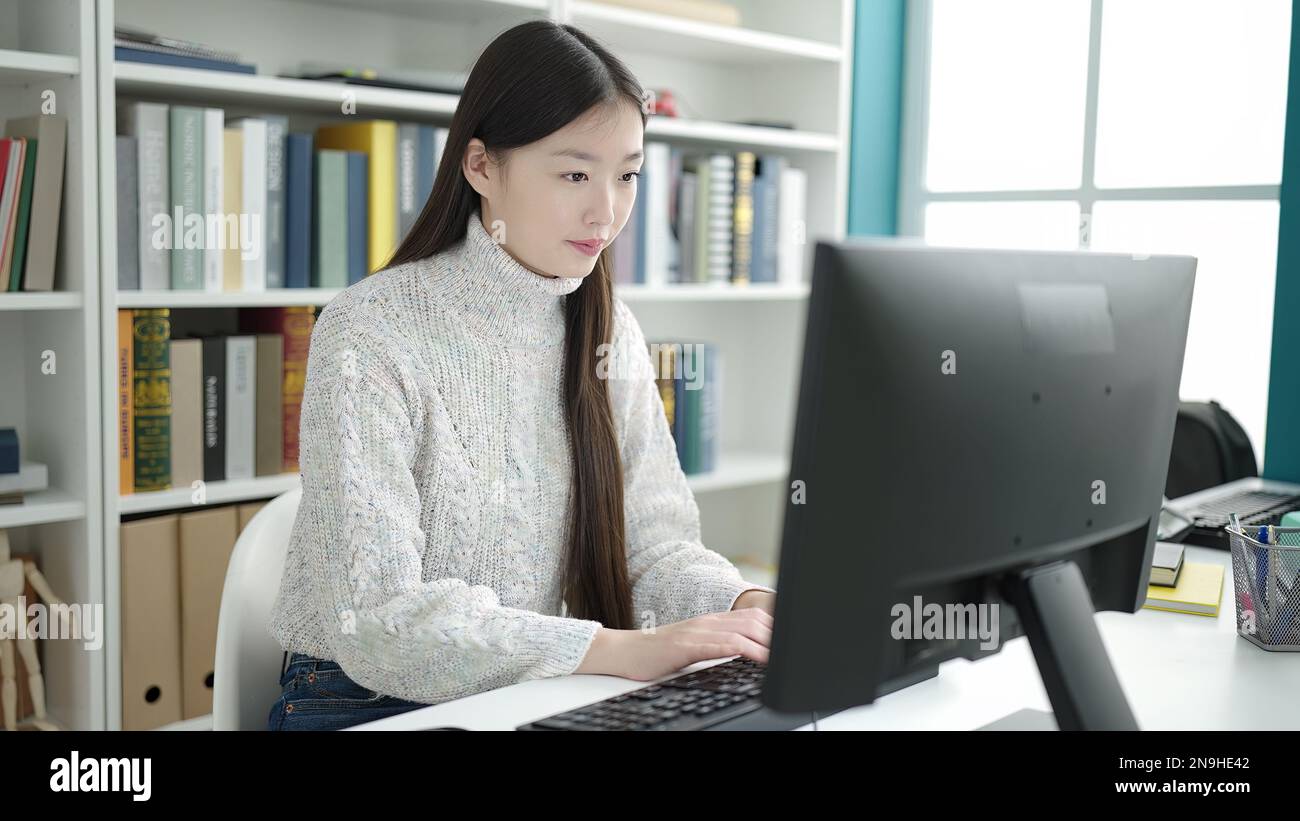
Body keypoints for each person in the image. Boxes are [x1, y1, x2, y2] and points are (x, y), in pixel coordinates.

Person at [266, 19, 776, 731]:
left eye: (626, 175)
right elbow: (374, 616)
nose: (607, 212)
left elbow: (653, 549)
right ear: (480, 166)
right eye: (574, 174)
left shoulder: (606, 329)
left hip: (529, 688)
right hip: (363, 700)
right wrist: (614, 649)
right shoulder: (370, 329)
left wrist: (741, 606)